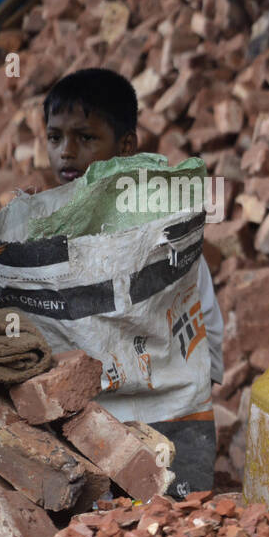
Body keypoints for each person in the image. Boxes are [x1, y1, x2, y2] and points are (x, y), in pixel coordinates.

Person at [43, 68, 224, 495]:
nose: (66, 152)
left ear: (126, 146)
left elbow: (207, 334)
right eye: (55, 138)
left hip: (168, 425)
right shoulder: (41, 234)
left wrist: (173, 400)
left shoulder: (164, 234)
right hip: (72, 430)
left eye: (86, 137)